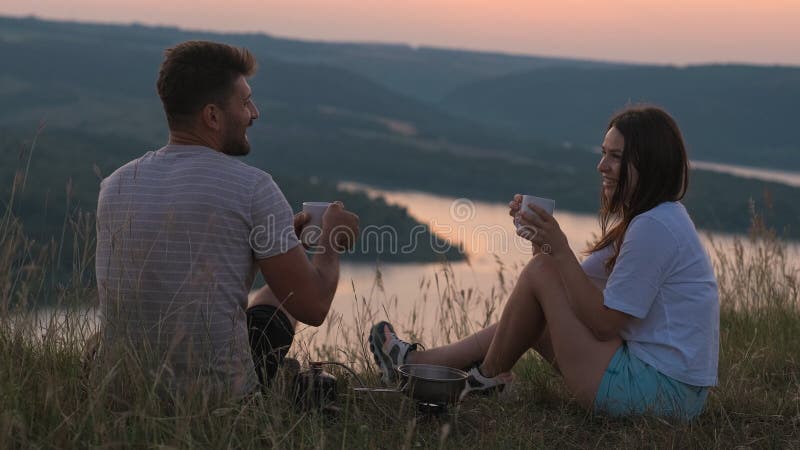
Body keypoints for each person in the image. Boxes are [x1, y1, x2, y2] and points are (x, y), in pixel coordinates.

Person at [369, 106, 719, 419]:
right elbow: (567, 296)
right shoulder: (655, 220)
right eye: (603, 154)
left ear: (648, 164)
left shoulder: (654, 227)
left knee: (541, 273)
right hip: (670, 389)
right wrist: (544, 242)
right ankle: (418, 365)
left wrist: (560, 250)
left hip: (660, 395)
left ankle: (481, 382)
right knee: (540, 288)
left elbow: (602, 324)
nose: (602, 166)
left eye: (615, 157)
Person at [94, 40, 359, 402]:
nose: (255, 112)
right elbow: (312, 308)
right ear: (213, 116)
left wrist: (285, 244)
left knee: (270, 299)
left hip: (120, 392)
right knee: (270, 320)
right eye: (245, 101)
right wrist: (330, 243)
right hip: (218, 400)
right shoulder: (252, 188)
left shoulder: (115, 184)